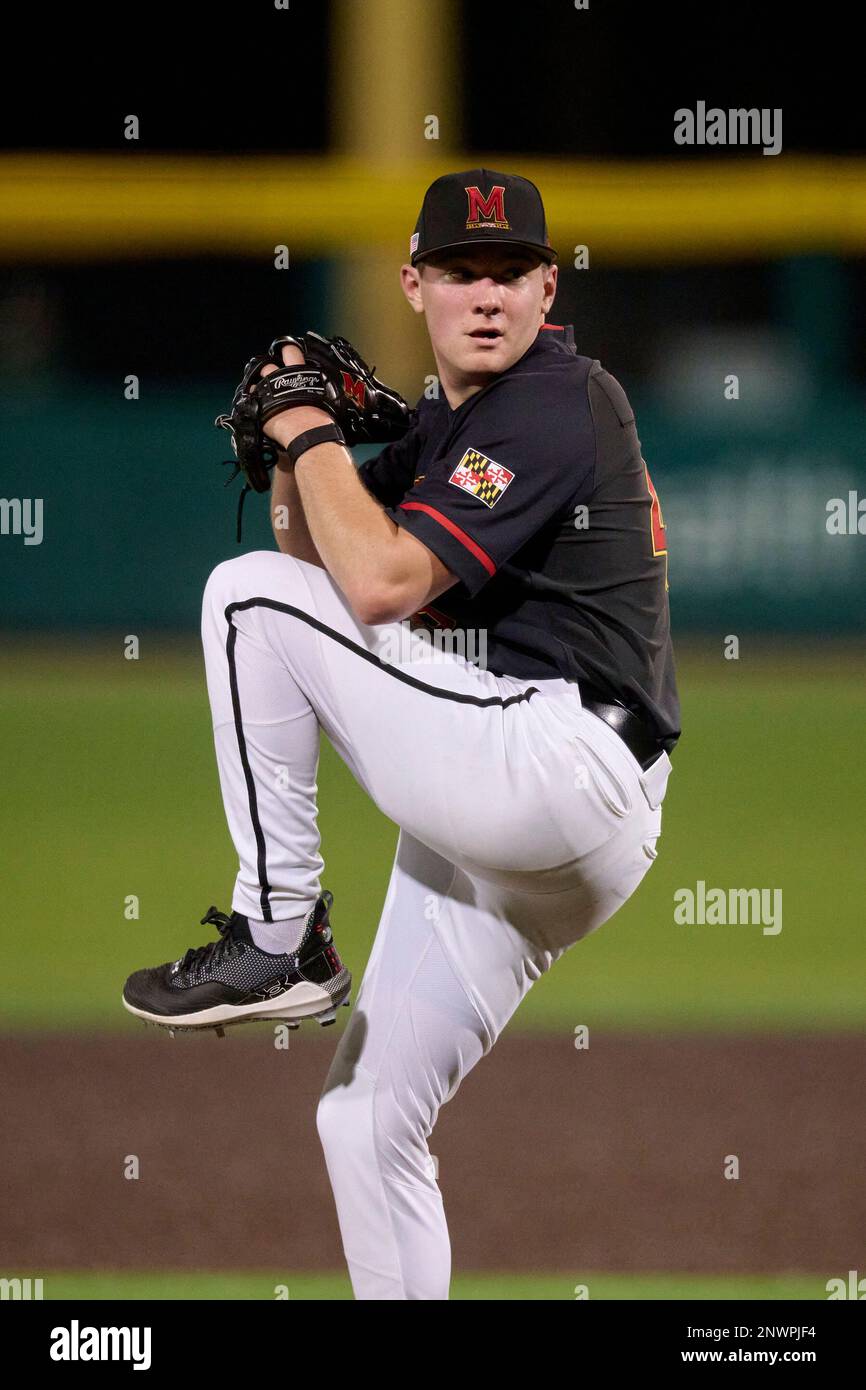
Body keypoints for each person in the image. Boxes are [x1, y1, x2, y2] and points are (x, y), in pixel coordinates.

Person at [123, 168, 680, 1300]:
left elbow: (369, 585)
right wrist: (301, 448)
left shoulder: (550, 400)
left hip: (556, 767)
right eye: (461, 273)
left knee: (238, 599)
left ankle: (279, 934)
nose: (487, 296)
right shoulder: (445, 426)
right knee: (364, 1118)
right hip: (536, 822)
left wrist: (305, 419)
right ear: (412, 285)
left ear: (545, 288)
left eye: (510, 273)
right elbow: (307, 548)